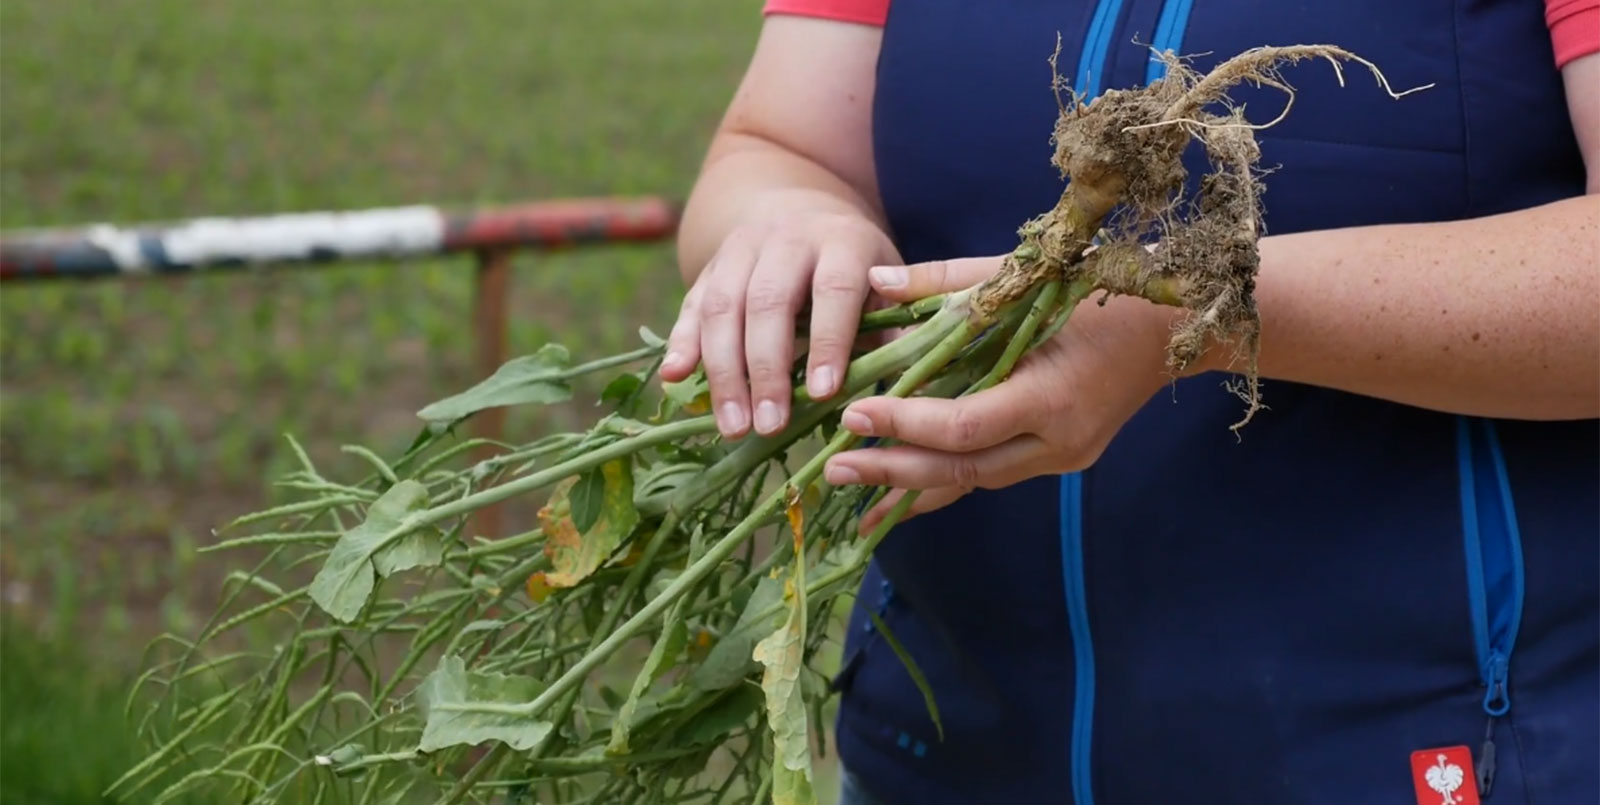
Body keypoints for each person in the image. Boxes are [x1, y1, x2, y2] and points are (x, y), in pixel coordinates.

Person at [663, 0, 1599, 801]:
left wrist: (1190, 312)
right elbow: (776, 145)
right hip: (938, 752)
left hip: (1416, 750)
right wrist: (788, 217)